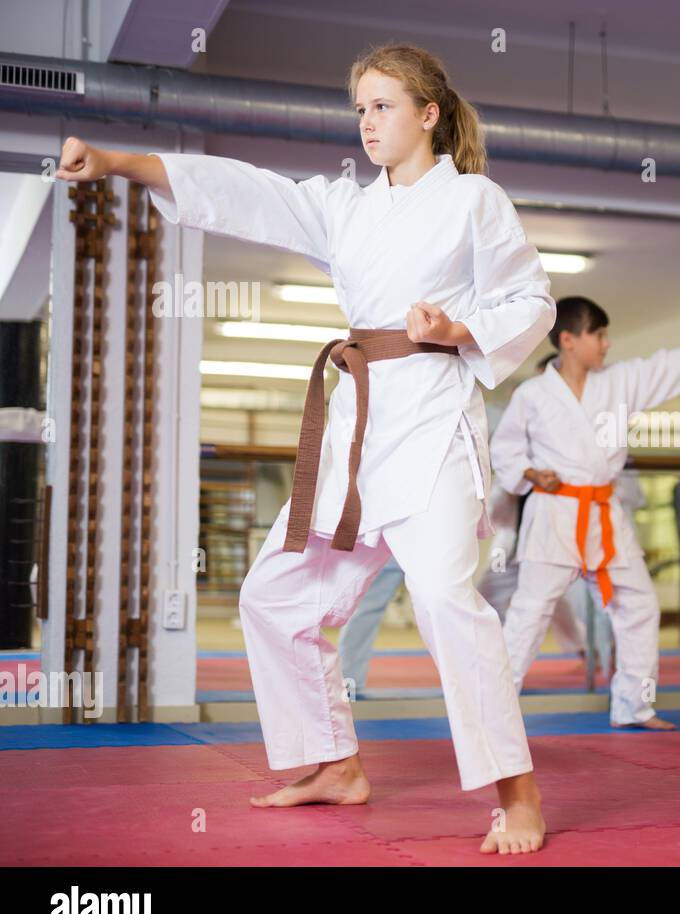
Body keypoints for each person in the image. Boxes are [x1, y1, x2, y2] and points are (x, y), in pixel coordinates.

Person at [57, 43, 554, 853]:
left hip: (429, 426)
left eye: (384, 106)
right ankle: (332, 763)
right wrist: (119, 162)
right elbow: (248, 192)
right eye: (359, 108)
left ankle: (519, 793)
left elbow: (531, 297)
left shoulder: (474, 200)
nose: (367, 123)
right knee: (272, 596)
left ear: (429, 114)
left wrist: (459, 328)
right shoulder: (346, 207)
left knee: (443, 599)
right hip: (356, 432)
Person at [491, 296, 680, 729]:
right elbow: (504, 447)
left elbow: (664, 367)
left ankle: (633, 706)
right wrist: (528, 472)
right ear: (568, 339)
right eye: (597, 334)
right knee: (529, 614)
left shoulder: (619, 382)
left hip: (603, 511)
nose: (606, 343)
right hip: (554, 512)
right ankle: (492, 713)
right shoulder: (532, 394)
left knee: (639, 605)